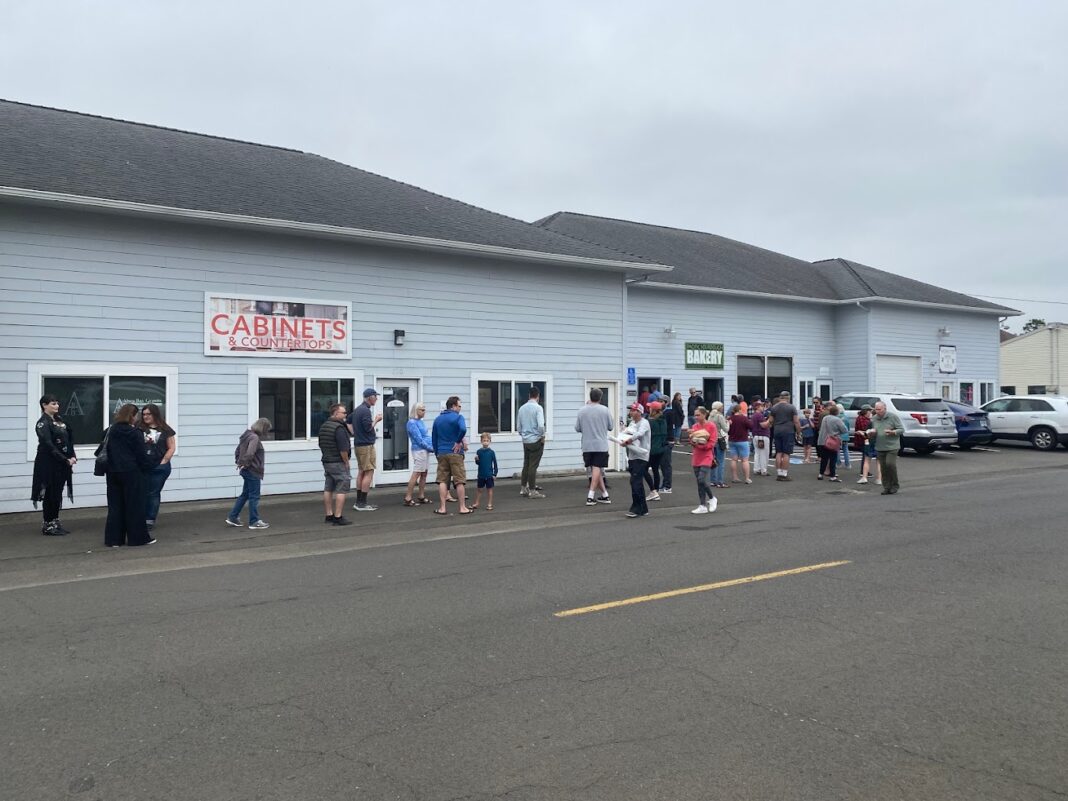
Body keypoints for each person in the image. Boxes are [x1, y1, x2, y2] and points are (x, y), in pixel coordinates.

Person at [103, 403, 156, 546]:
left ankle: (114, 540)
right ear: (132, 416)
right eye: (137, 414)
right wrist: (150, 465)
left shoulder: (111, 430)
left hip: (113, 472)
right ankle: (137, 538)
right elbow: (141, 455)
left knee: (115, 506)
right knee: (134, 506)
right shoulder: (135, 433)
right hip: (132, 472)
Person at [31, 394, 76, 536]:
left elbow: (69, 440)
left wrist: (72, 455)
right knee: (49, 492)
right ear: (44, 405)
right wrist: (64, 459)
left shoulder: (60, 421)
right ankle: (48, 524)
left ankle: (55, 520)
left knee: (57, 492)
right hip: (48, 462)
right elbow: (48, 444)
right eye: (53, 403)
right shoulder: (42, 423)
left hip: (62, 463)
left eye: (57, 403)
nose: (56, 406)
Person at [227, 417, 271, 529]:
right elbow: (250, 453)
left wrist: (239, 462)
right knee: (254, 496)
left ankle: (233, 517)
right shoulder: (254, 438)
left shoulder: (246, 436)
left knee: (245, 495)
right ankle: (254, 521)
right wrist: (245, 463)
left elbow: (237, 451)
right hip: (253, 471)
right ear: (263, 428)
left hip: (246, 471)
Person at [432, 396, 472, 515]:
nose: (460, 408)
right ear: (453, 406)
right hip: (455, 453)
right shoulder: (458, 417)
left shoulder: (438, 419)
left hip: (442, 452)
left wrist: (437, 452)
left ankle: (443, 508)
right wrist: (458, 441)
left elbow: (434, 438)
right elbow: (463, 429)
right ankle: (462, 507)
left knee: (443, 480)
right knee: (459, 480)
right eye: (459, 406)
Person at [139, 404, 175, 532]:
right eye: (144, 414)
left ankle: (149, 519)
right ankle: (139, 517)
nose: (146, 417)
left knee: (153, 493)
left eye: (148, 414)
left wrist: (164, 461)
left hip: (159, 466)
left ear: (155, 414)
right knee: (142, 492)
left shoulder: (165, 429)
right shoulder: (139, 428)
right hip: (143, 466)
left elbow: (171, 447)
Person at [575, 387, 613, 506]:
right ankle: (590, 496)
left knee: (595, 469)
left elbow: (578, 428)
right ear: (600, 398)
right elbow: (610, 427)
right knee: (597, 469)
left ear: (590, 396)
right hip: (600, 444)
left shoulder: (582, 411)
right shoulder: (605, 410)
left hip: (586, 444)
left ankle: (605, 495)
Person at [318, 403, 352, 526]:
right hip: (338, 462)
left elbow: (321, 443)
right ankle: (338, 516)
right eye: (343, 413)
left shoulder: (324, 426)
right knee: (342, 488)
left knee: (328, 488)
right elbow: (343, 449)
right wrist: (346, 462)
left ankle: (329, 514)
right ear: (336, 413)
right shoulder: (339, 429)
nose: (345, 415)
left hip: (327, 461)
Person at [614, 403, 651, 518]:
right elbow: (626, 434)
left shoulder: (644, 423)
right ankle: (643, 508)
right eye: (630, 410)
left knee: (635, 481)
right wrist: (622, 439)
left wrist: (628, 440)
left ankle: (636, 508)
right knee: (636, 481)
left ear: (639, 412)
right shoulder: (632, 423)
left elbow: (639, 434)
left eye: (633, 410)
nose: (630, 412)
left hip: (641, 456)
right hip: (632, 456)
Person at [349, 388, 382, 511]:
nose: (376, 399)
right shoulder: (365, 411)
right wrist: (376, 421)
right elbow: (368, 428)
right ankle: (362, 503)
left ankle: (359, 502)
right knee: (369, 471)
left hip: (359, 444)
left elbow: (347, 421)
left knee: (361, 471)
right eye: (375, 396)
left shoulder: (358, 409)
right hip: (366, 446)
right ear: (370, 397)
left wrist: (355, 433)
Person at [688, 406, 719, 514]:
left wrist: (700, 445)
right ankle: (702, 505)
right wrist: (693, 441)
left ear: (704, 415)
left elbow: (712, 442)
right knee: (699, 482)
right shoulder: (694, 426)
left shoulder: (711, 426)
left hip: (707, 455)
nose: (696, 417)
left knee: (701, 479)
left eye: (698, 415)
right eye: (695, 415)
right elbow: (691, 440)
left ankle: (712, 498)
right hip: (696, 456)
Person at [517, 386, 547, 499]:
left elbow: (519, 427)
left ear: (529, 395)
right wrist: (542, 435)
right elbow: (540, 425)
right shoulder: (538, 408)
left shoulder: (521, 408)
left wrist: (523, 434)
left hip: (525, 440)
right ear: (538, 396)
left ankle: (523, 487)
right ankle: (533, 490)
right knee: (533, 466)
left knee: (526, 463)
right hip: (535, 440)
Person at [869, 401, 904, 494]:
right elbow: (873, 432)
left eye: (879, 409)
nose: (877, 411)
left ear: (885, 408)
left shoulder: (893, 417)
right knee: (883, 468)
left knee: (890, 464)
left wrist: (893, 432)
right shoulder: (874, 419)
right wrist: (872, 433)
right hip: (880, 446)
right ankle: (886, 487)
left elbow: (901, 429)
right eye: (876, 409)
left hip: (892, 446)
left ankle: (895, 485)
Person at [404, 403, 433, 506]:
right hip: (419, 450)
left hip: (425, 450)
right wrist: (430, 448)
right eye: (422, 410)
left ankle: (421, 495)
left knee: (424, 473)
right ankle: (408, 497)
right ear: (416, 411)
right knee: (416, 473)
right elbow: (418, 439)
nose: (424, 412)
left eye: (424, 409)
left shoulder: (420, 422)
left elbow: (426, 436)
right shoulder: (411, 423)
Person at [768, 391, 802, 481]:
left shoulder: (774, 407)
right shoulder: (791, 407)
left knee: (779, 452)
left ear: (780, 397)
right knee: (786, 453)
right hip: (788, 431)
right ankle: (784, 474)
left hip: (777, 431)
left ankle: (779, 473)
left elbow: (770, 421)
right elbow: (796, 421)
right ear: (788, 397)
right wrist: (799, 432)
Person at [817, 403, 848, 482]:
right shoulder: (837, 419)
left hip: (823, 440)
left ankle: (820, 474)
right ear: (837, 412)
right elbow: (844, 430)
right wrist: (837, 433)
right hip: (833, 441)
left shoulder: (825, 418)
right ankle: (832, 476)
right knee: (833, 459)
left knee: (824, 458)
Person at [644, 402, 668, 501]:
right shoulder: (663, 420)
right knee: (655, 470)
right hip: (661, 449)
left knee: (643, 469)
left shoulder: (650, 422)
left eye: (649, 408)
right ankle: (656, 490)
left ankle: (653, 490)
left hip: (651, 449)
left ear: (652, 410)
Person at [854, 405, 881, 486]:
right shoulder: (881, 423)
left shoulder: (870, 422)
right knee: (879, 461)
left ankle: (864, 477)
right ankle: (879, 479)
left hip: (868, 442)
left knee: (867, 460)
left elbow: (866, 434)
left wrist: (860, 432)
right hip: (879, 443)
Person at [727, 404, 753, 484]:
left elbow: (727, 429)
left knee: (734, 459)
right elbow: (751, 426)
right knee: (745, 460)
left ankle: (735, 477)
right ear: (739, 410)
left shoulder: (730, 419)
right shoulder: (743, 418)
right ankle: (747, 478)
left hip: (732, 440)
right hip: (742, 441)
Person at [471, 433, 498, 510]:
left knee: (489, 490)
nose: (485, 442)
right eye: (484, 440)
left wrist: (494, 474)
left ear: (490, 441)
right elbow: (479, 463)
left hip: (489, 475)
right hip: (481, 475)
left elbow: (495, 463)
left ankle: (489, 504)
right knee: (479, 489)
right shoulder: (479, 451)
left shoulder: (491, 452)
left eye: (487, 440)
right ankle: (477, 503)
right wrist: (476, 460)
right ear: (481, 441)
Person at [707, 401, 729, 488]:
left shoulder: (710, 416)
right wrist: (728, 423)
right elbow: (726, 429)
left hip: (712, 440)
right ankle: (720, 481)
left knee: (713, 461)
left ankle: (713, 480)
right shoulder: (720, 416)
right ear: (719, 407)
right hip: (719, 439)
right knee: (721, 462)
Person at [751, 400, 771, 476]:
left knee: (758, 453)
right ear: (757, 407)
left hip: (756, 436)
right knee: (764, 454)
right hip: (762, 436)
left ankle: (757, 469)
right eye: (762, 406)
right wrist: (769, 419)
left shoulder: (754, 415)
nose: (763, 407)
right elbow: (763, 425)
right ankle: (763, 470)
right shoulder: (759, 415)